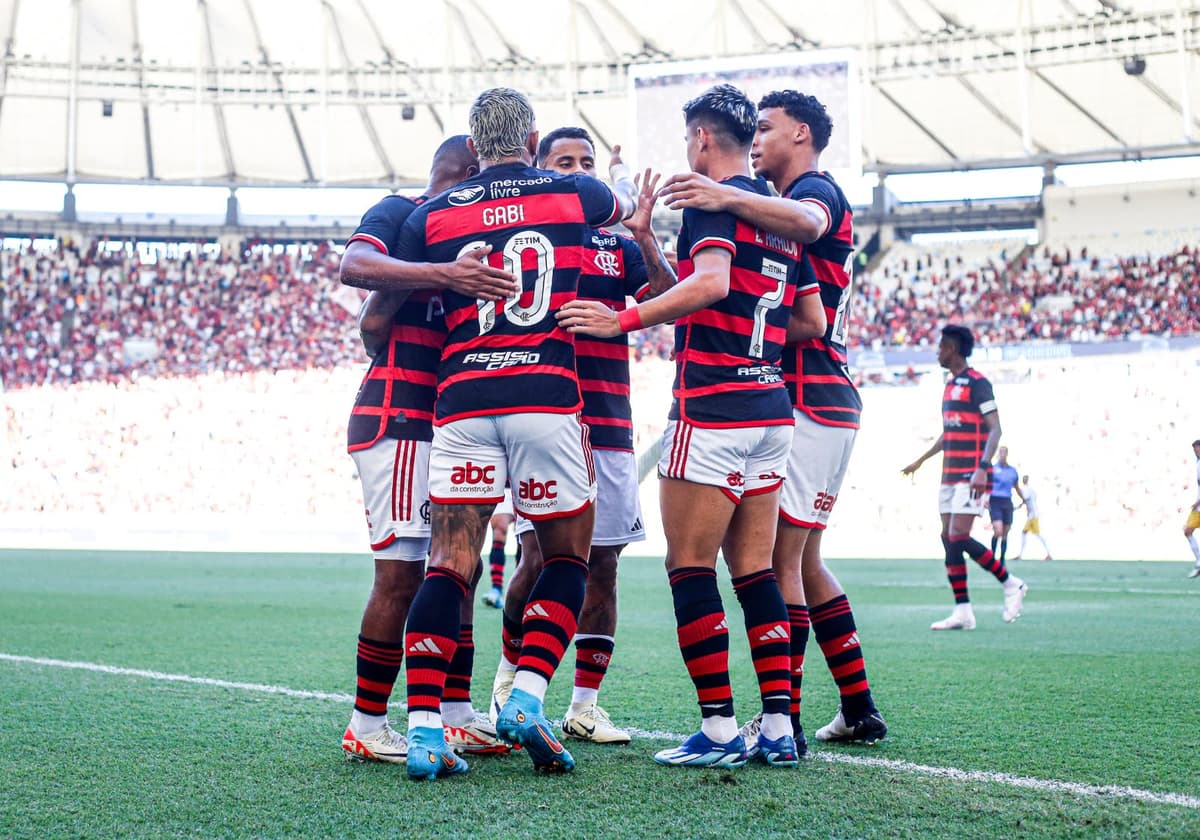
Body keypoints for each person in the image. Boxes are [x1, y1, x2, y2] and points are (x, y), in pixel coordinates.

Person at [561, 84, 824, 769]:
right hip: (772, 409)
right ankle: (775, 726)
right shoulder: (777, 216)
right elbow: (808, 321)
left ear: (703, 139)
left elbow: (707, 287)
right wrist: (648, 240)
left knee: (689, 569)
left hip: (713, 408)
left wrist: (621, 318)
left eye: (688, 140)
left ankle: (715, 728)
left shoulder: (712, 203)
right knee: (755, 572)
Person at [389, 87, 638, 780]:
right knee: (565, 559)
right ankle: (527, 696)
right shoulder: (577, 193)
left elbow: (402, 282)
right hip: (546, 398)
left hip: (463, 398)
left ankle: (425, 731)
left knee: (449, 565)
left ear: (474, 142)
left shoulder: (437, 213)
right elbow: (627, 212)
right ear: (530, 140)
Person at [659, 89, 887, 749]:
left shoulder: (813, 191)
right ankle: (855, 706)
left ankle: (773, 721)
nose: (757, 139)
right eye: (750, 129)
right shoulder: (770, 212)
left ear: (805, 136)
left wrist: (724, 195)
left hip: (800, 394)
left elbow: (811, 225)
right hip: (818, 396)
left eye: (769, 128)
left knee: (771, 566)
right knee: (802, 562)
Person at [489, 126, 674, 746]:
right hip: (541, 419)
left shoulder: (610, 245)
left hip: (609, 422)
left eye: (586, 162)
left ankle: (585, 705)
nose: (578, 170)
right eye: (563, 162)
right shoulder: (520, 236)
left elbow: (671, 300)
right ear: (541, 170)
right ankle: (510, 676)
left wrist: (645, 235)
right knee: (537, 558)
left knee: (605, 567)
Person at [337, 136, 516, 765]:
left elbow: (374, 325)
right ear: (475, 172)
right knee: (402, 575)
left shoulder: (480, 236)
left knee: (457, 569)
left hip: (450, 424)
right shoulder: (401, 211)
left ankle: (456, 712)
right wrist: (445, 273)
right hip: (400, 419)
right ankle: (366, 721)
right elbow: (356, 268)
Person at [902, 325, 1027, 630]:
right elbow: (950, 433)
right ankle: (963, 611)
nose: (938, 352)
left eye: (941, 346)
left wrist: (983, 467)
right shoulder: (950, 385)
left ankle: (1012, 584)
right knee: (948, 538)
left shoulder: (978, 383)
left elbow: (995, 428)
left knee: (958, 535)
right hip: (949, 474)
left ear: (953, 349)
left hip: (971, 473)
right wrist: (921, 460)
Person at [988, 446, 1024, 565]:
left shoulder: (1012, 471)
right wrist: (984, 498)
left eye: (1004, 453)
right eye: (1001, 452)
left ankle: (1002, 560)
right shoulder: (993, 469)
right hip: (995, 501)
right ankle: (992, 558)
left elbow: (1016, 487)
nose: (1002, 455)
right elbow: (986, 485)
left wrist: (1024, 500)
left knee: (1005, 533)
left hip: (1007, 502)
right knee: (997, 531)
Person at [481, 489, 515, 608]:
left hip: (529, 482)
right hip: (505, 487)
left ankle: (523, 587)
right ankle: (496, 589)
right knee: (499, 528)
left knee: (527, 539)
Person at [1012, 475, 1054, 562]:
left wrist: (1019, 505)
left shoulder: (1026, 489)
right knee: (1025, 533)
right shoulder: (1030, 489)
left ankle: (1049, 553)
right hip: (1032, 514)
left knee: (1037, 534)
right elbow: (1028, 500)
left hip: (1033, 515)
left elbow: (1025, 498)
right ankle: (1020, 555)